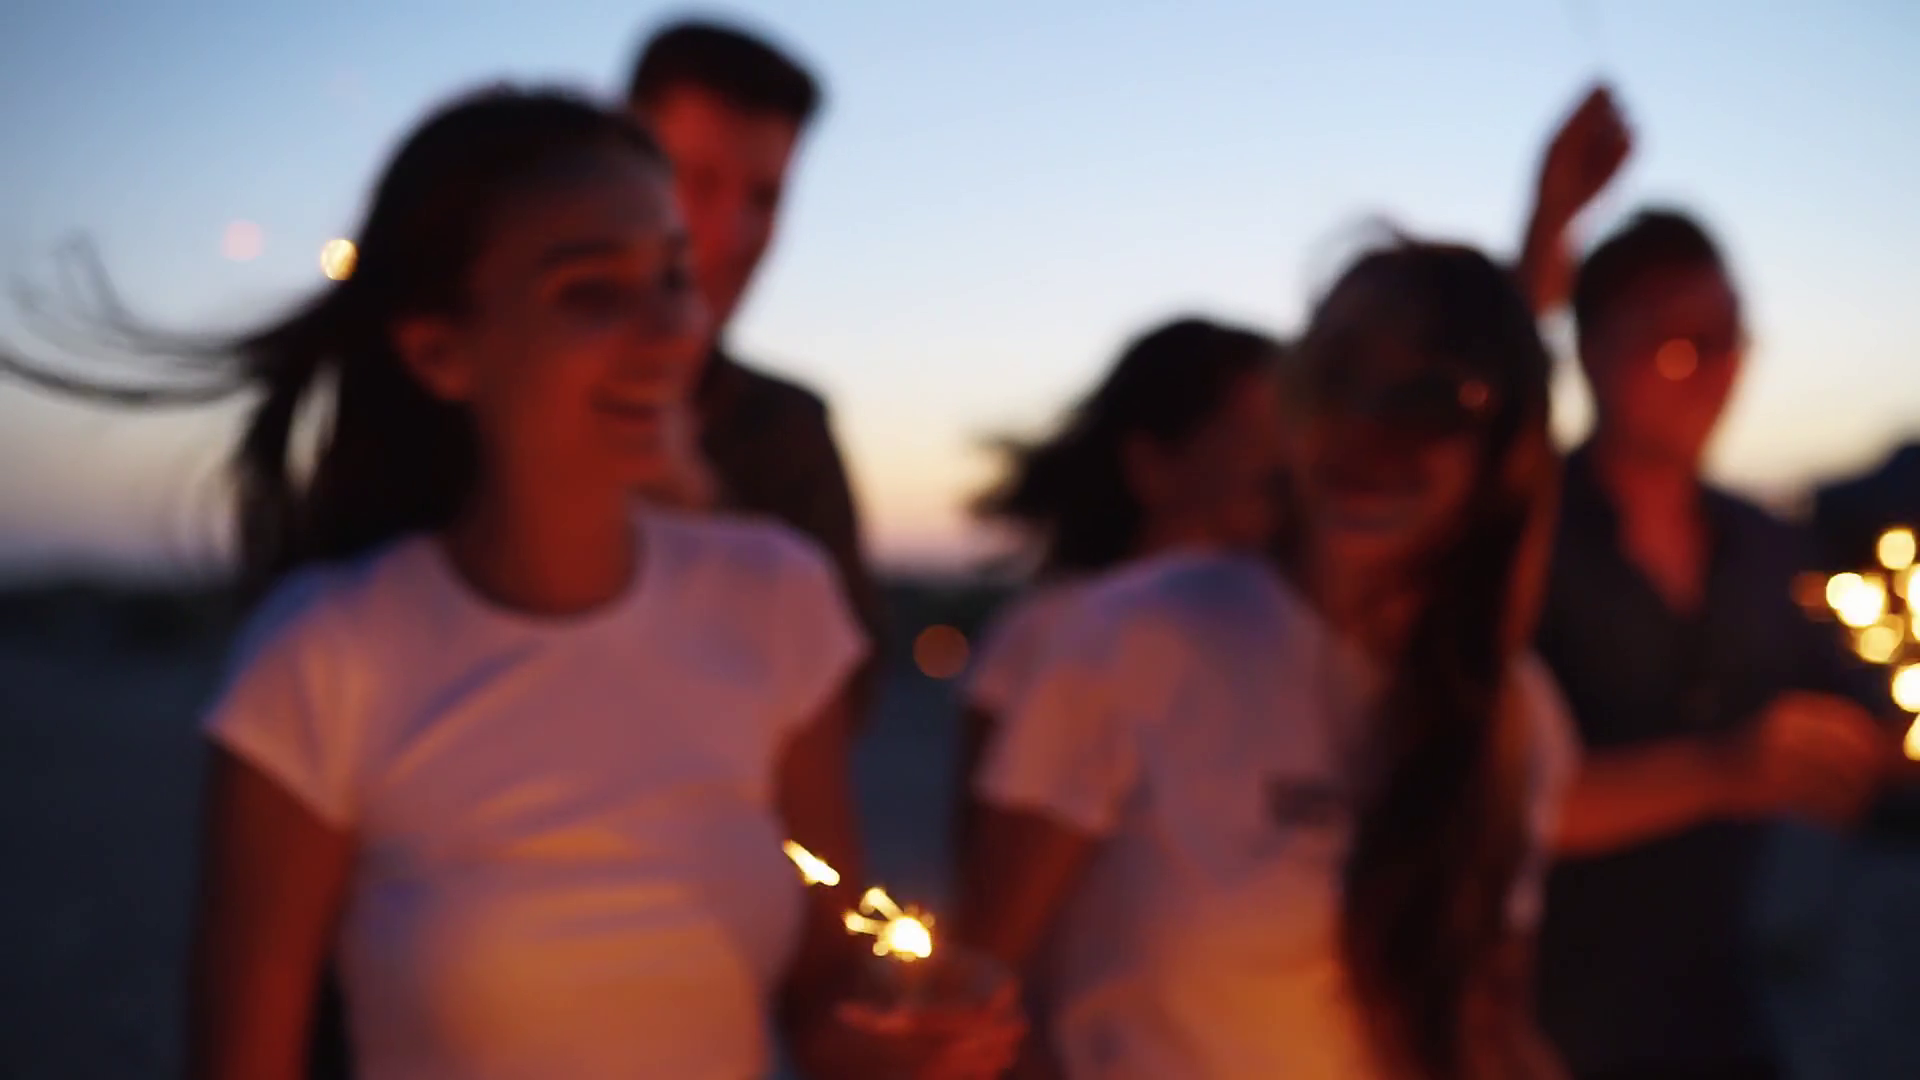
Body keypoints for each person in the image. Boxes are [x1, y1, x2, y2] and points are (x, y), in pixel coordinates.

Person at [4, 88, 1016, 1080]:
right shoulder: (328, 655)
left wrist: (909, 1046)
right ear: (441, 352)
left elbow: (819, 991)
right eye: (591, 292)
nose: (670, 331)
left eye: (672, 275)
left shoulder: (776, 598)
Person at [956, 241, 1576, 1079]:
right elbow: (982, 997)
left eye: (1426, 400)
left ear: (1505, 447)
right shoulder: (1130, 638)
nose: (1366, 435)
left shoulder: (1513, 717)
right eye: (1336, 379)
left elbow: (1487, 1027)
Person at [1532, 208, 1899, 1080]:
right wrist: (1724, 770)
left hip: (1724, 1016)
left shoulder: (1765, 547)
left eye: (1729, 341)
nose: (1712, 374)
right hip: (1544, 1029)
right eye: (1674, 345)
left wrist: (1870, 753)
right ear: (1591, 351)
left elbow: (1859, 722)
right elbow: (1496, 801)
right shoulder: (1526, 550)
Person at [956, 316, 1287, 852]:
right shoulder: (1055, 630)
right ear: (1151, 463)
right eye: (1256, 442)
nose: (1286, 469)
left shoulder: (1283, 635)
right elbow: (990, 876)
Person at [624, 20, 887, 680]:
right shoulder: (480, 394)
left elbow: (844, 695)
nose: (730, 235)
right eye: (698, 183)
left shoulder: (789, 433)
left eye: (764, 198)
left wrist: (702, 507)